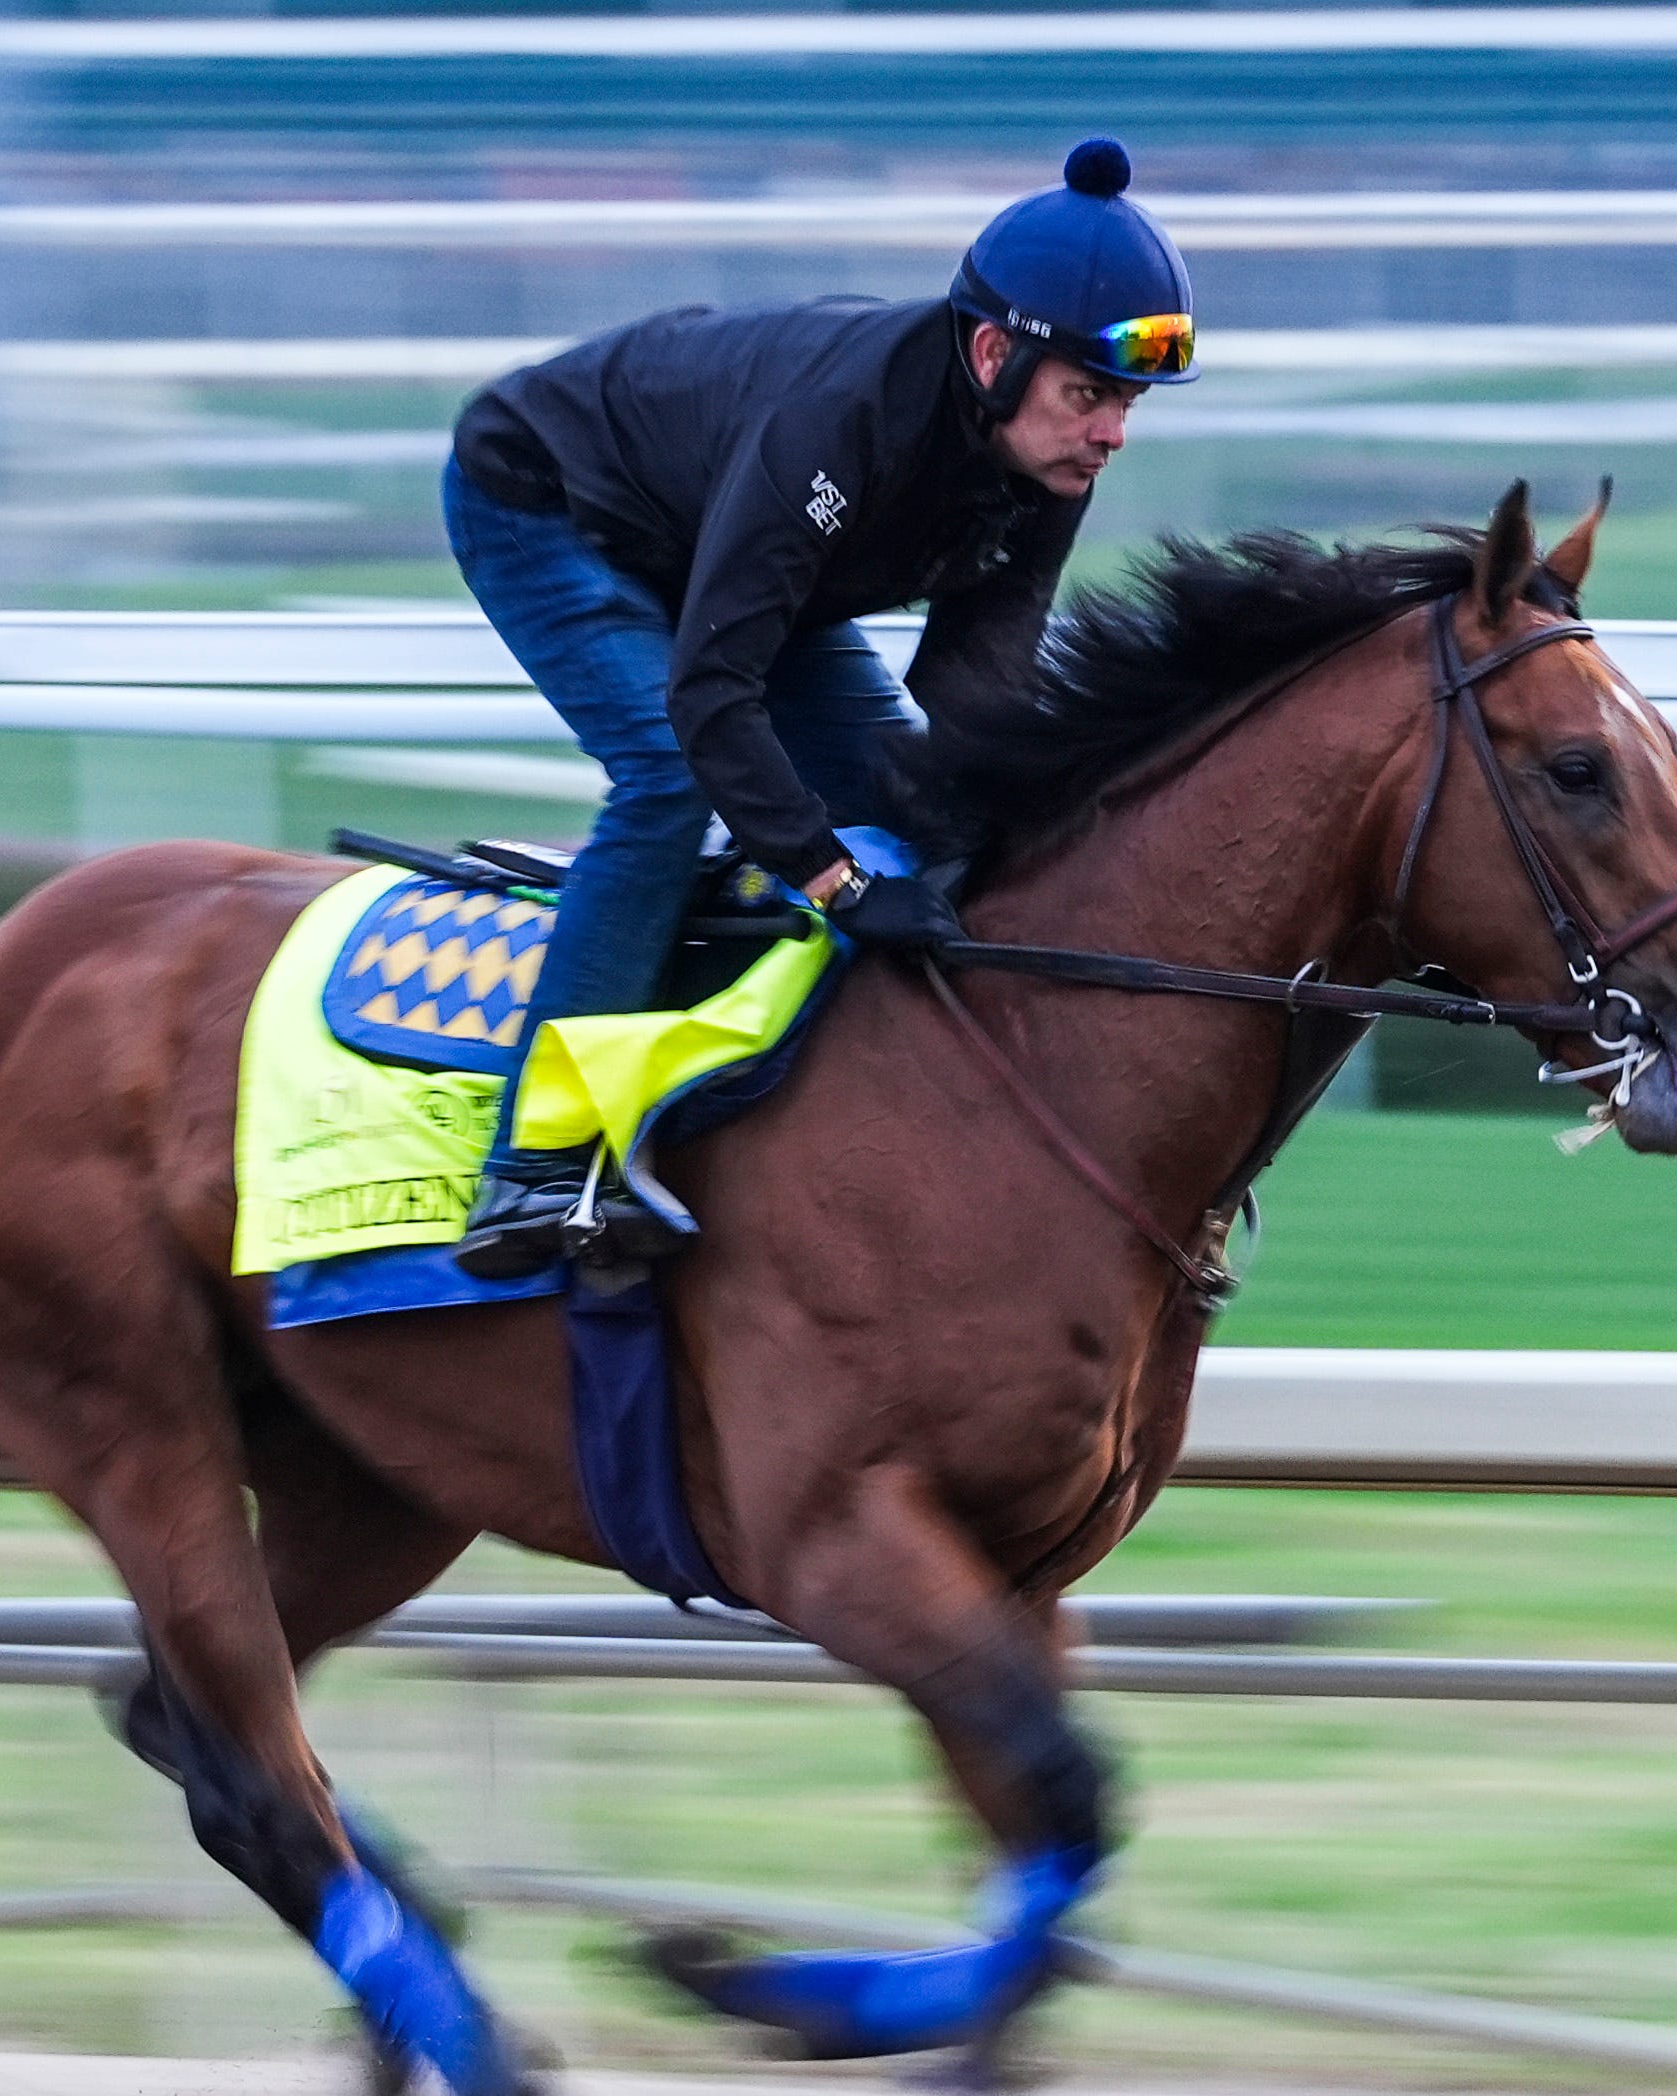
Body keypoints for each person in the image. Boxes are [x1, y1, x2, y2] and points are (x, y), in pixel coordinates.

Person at [441, 135, 1200, 1278]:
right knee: (668, 776)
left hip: (722, 538)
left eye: (1127, 402)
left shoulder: (1045, 459)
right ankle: (535, 1164)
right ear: (994, 353)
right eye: (1089, 395)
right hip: (549, 502)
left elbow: (972, 685)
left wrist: (1022, 821)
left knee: (925, 808)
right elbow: (712, 691)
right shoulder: (843, 426)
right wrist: (835, 882)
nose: (1112, 433)